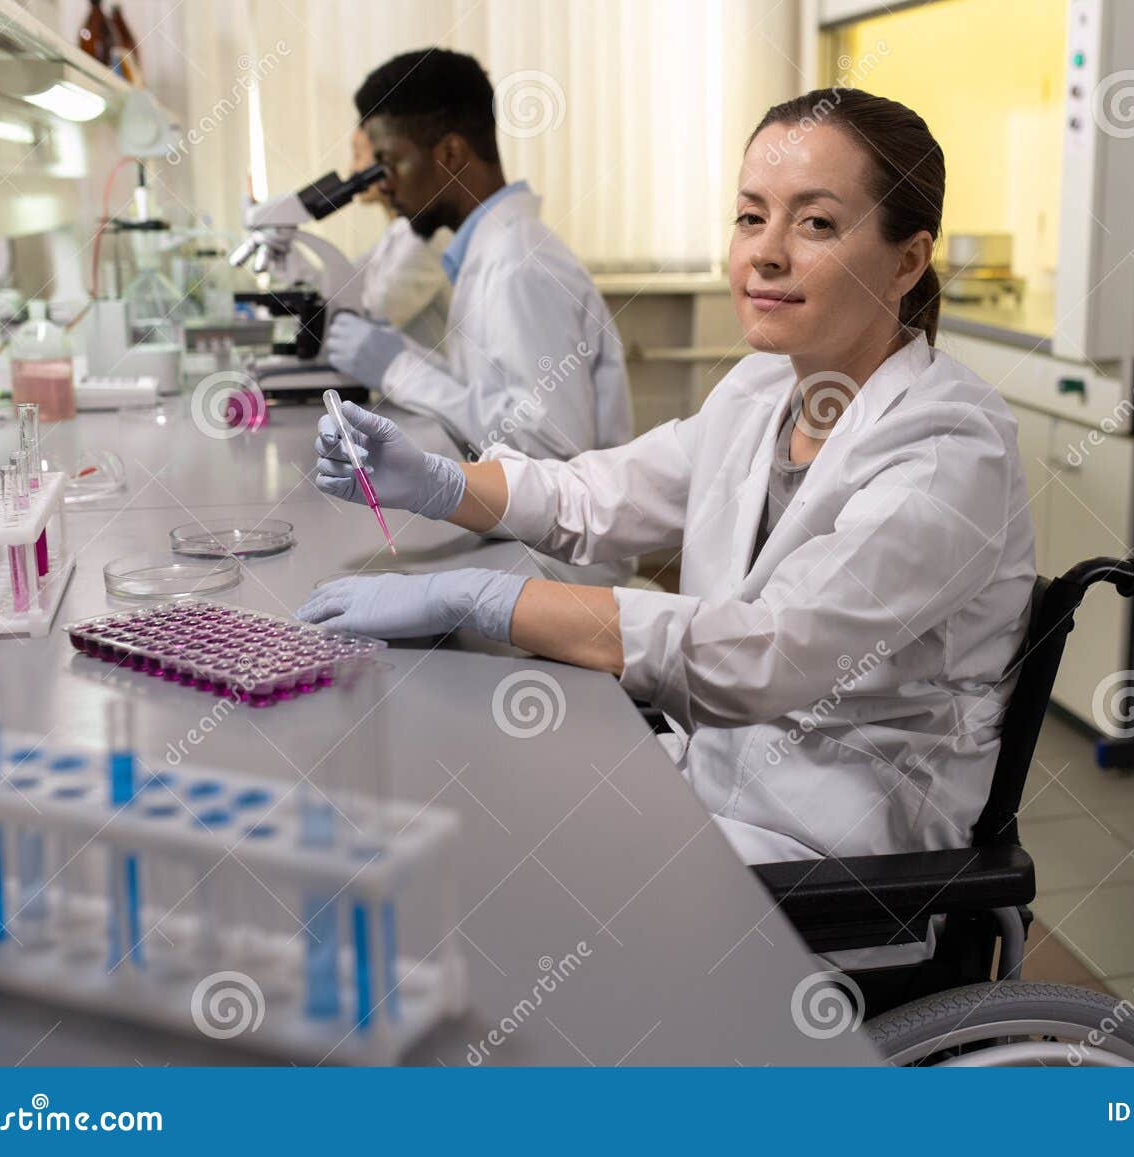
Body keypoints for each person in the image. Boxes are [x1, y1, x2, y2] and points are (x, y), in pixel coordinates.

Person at [303, 89, 1037, 865]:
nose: (767, 251)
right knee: (455, 810)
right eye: (751, 217)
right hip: (714, 785)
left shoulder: (950, 448)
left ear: (907, 260)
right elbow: (599, 494)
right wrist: (440, 483)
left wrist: (486, 598)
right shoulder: (761, 394)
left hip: (836, 854)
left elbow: (768, 653)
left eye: (816, 222)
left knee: (491, 876)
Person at [326, 49, 632, 461]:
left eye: (390, 162)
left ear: (450, 155)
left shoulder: (518, 264)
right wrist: (402, 353)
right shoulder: (488, 253)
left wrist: (400, 369)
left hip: (550, 524)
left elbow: (553, 446)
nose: (384, 185)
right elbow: (490, 397)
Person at [349, 126, 449, 351]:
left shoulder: (429, 234)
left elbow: (376, 312)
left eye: (358, 155)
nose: (352, 169)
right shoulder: (397, 231)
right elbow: (347, 282)